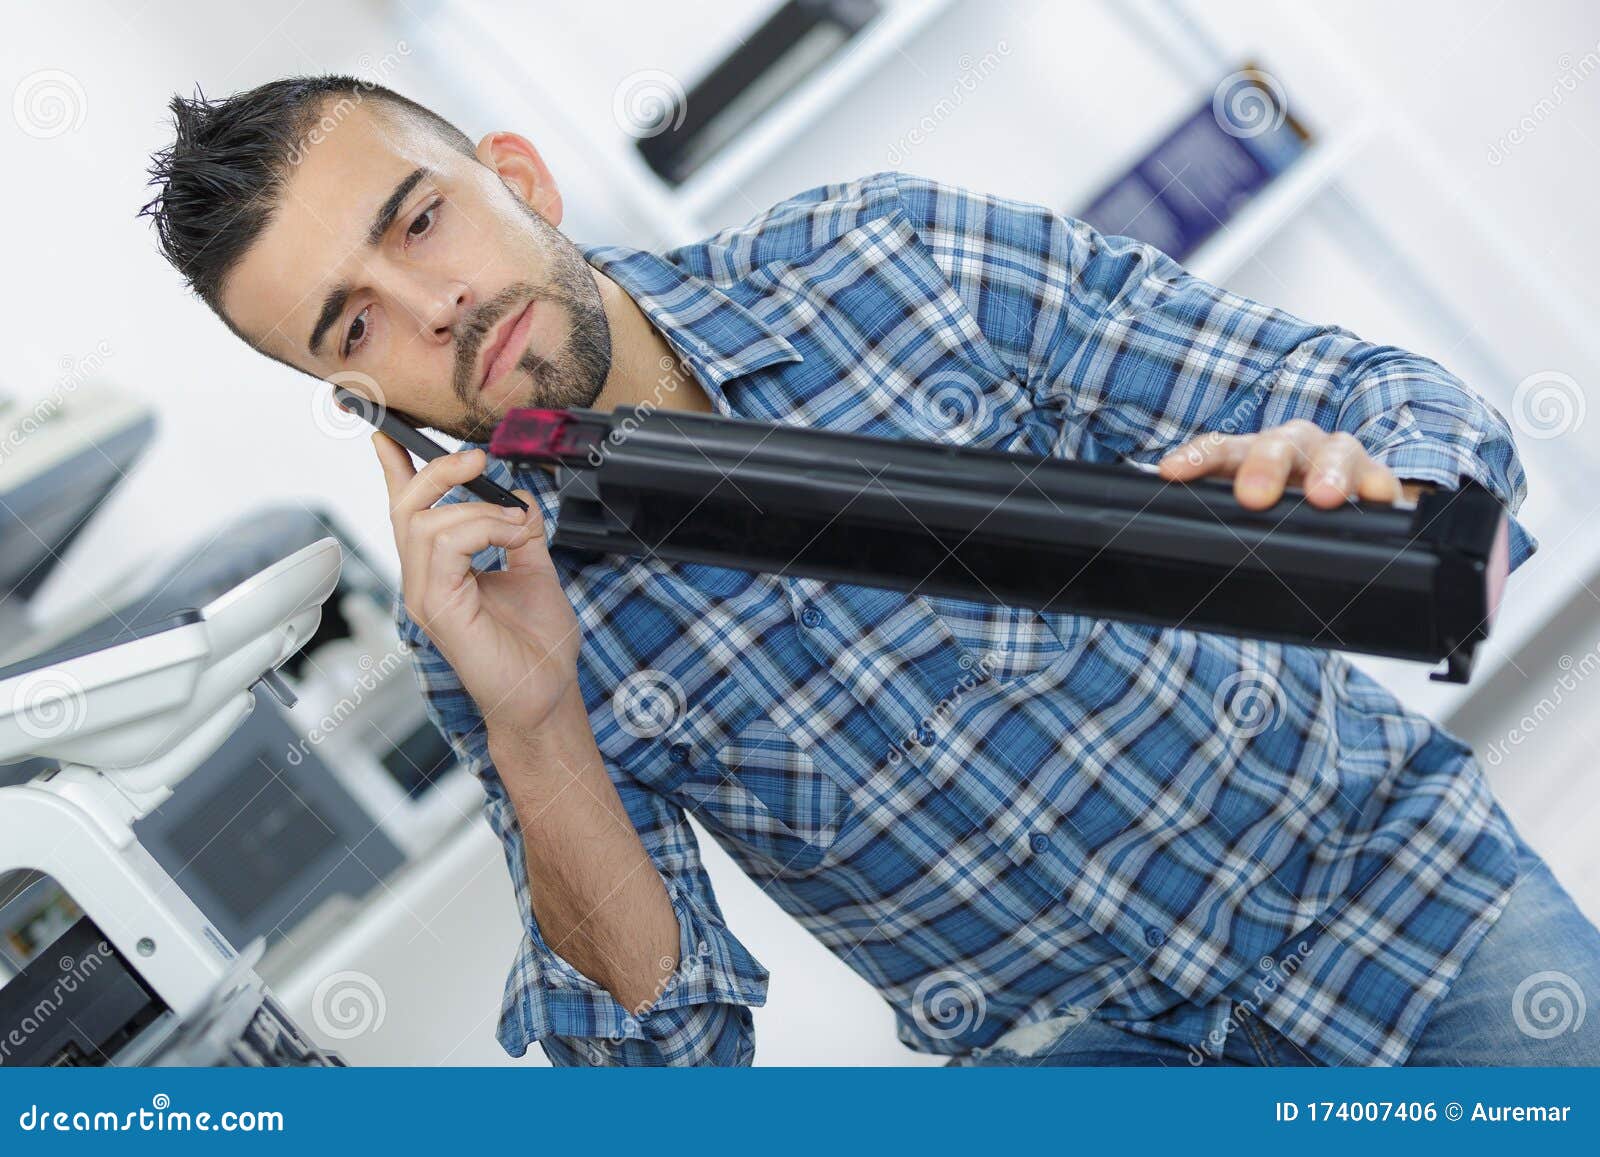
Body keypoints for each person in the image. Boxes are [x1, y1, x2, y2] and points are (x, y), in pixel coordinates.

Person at [140, 76, 1600, 1066]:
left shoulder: (892, 255)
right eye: (354, 327)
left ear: (517, 177)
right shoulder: (485, 623)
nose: (436, 306)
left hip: (1395, 898)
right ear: (357, 405)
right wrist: (537, 725)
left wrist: (1382, 496)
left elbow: (1364, 389)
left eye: (420, 220)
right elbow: (668, 1075)